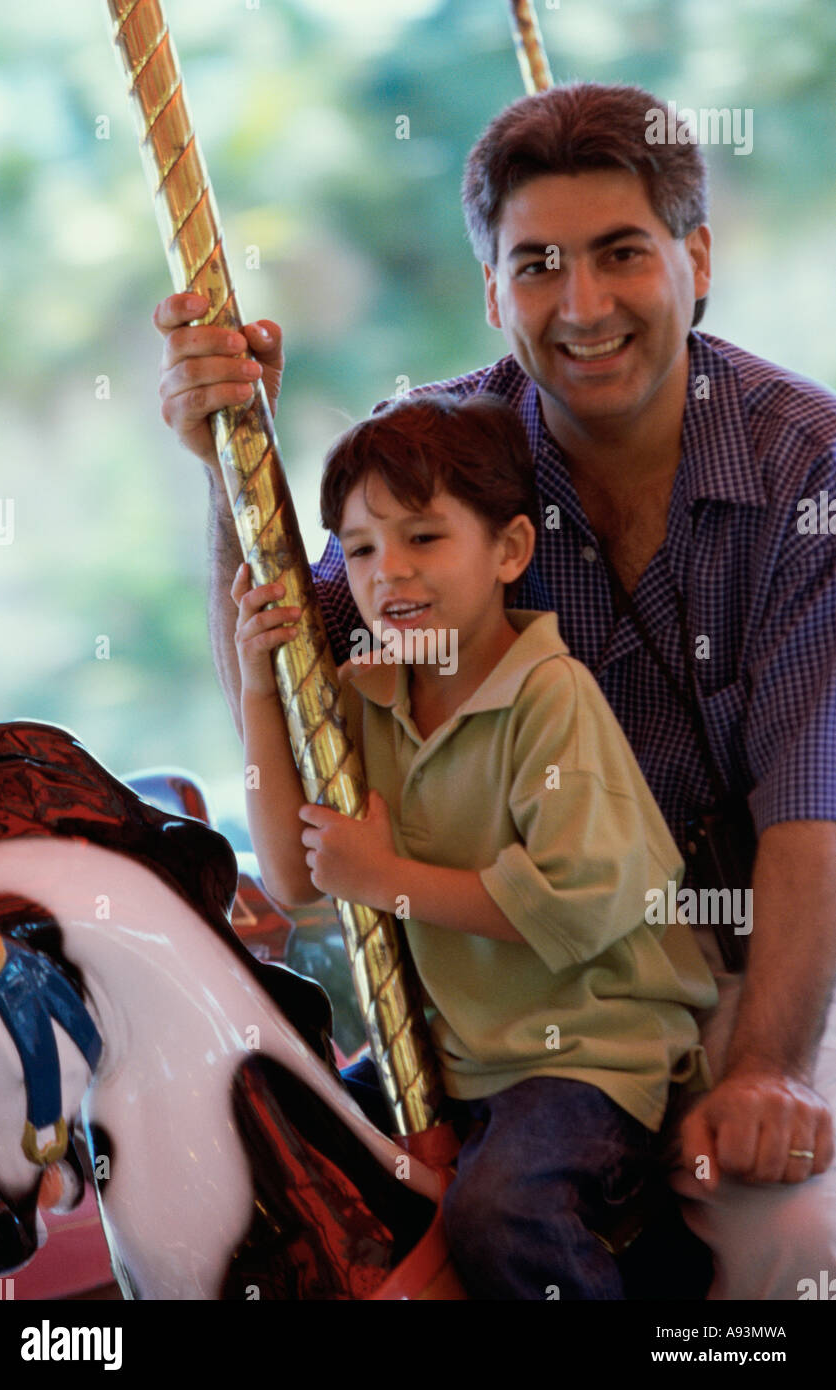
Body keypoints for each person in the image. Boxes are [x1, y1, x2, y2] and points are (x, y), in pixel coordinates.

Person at [155, 81, 836, 1299]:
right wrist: (227, 473)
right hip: (490, 1012)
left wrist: (763, 1067)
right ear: (490, 293)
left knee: (776, 1240)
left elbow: (808, 808)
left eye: (621, 254)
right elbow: (292, 677)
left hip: (739, 972)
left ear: (696, 259)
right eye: (536, 265)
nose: (582, 306)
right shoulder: (442, 471)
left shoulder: (807, 474)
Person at [232, 389, 717, 1299]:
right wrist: (264, 696)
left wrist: (387, 879)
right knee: (288, 1147)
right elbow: (298, 878)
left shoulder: (548, 698)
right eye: (363, 548)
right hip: (452, 1053)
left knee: (502, 1206)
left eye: (423, 538)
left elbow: (571, 904)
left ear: (509, 550)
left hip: (586, 1054)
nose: (387, 574)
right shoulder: (368, 695)